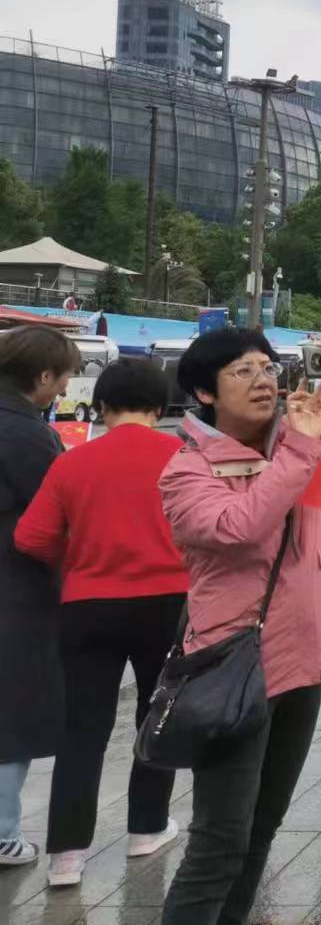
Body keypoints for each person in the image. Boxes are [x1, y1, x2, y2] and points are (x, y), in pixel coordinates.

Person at [158, 326, 321, 924]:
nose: (263, 380)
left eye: (266, 367)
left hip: (305, 658)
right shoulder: (186, 471)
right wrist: (298, 449)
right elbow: (241, 526)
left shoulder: (294, 430)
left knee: (262, 827)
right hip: (235, 666)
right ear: (204, 394)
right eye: (242, 371)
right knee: (219, 840)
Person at [13, 358, 187, 887]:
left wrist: (80, 558)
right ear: (160, 407)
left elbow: (32, 537)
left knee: (82, 730)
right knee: (156, 719)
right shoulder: (182, 457)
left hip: (87, 605)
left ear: (103, 404)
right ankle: (146, 829)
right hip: (167, 602)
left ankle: (65, 857)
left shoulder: (71, 462)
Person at [0, 325, 78, 868]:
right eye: (64, 378)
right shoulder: (27, 436)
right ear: (44, 376)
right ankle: (3, 830)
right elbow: (53, 519)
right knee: (14, 711)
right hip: (15, 589)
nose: (64, 391)